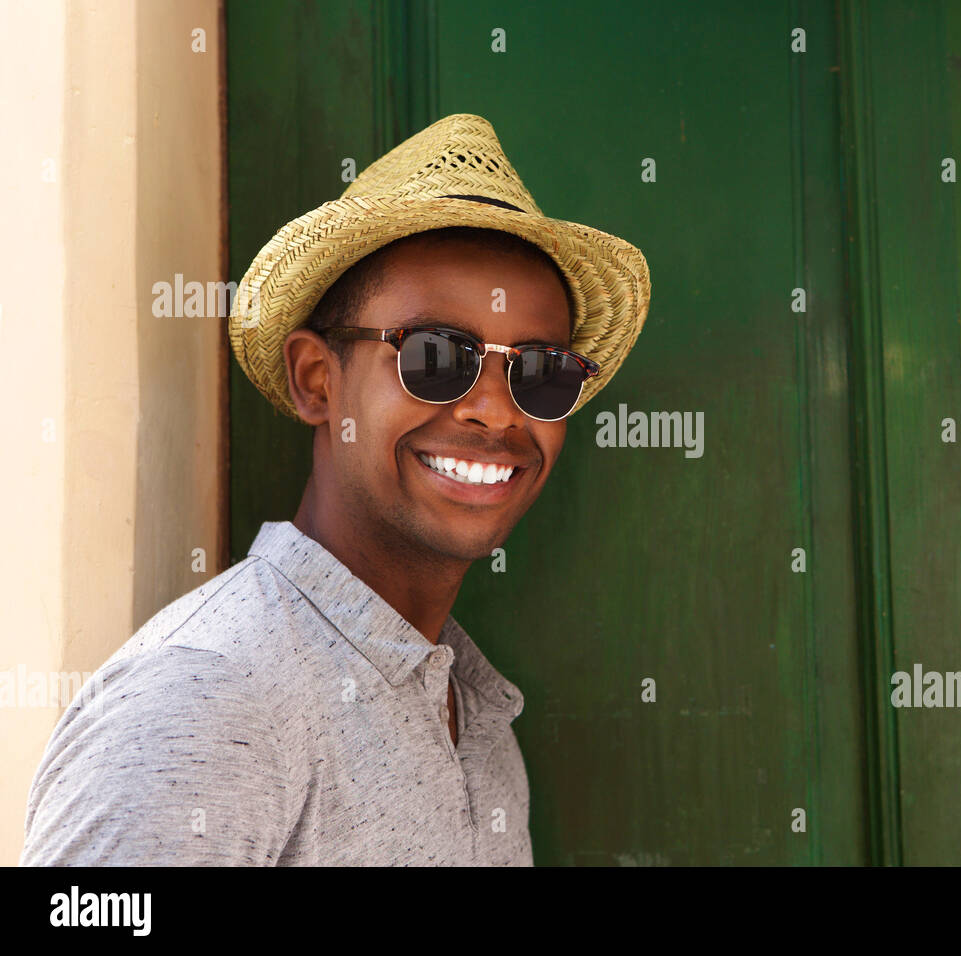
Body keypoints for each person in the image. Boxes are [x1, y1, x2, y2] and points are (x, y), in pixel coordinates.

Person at [21, 113, 651, 865]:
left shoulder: (474, 718)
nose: (492, 406)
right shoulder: (208, 699)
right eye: (435, 356)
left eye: (540, 370)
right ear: (318, 380)